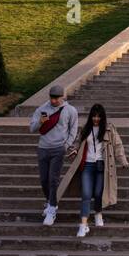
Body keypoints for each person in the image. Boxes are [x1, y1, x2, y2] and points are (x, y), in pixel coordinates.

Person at [56, 103, 129, 238]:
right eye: (94, 116)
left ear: (103, 117)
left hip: (103, 165)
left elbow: (118, 145)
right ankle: (83, 225)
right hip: (88, 166)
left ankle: (98, 213)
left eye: (99, 117)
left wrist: (123, 160)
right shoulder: (85, 129)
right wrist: (75, 150)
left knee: (98, 192)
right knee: (86, 194)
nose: (96, 119)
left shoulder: (109, 129)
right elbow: (79, 142)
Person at [28, 86, 78, 226]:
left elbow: (73, 130)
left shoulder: (70, 110)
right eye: (52, 97)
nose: (54, 100)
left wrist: (66, 145)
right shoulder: (42, 109)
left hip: (58, 148)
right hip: (43, 148)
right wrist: (40, 122)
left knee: (53, 179)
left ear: (63, 96)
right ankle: (50, 202)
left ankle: (51, 211)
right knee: (44, 180)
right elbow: (32, 128)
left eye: (57, 98)